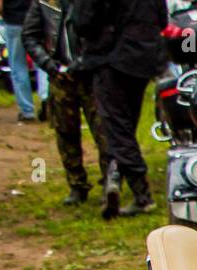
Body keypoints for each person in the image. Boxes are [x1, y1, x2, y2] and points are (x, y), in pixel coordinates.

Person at [72, 0, 166, 219]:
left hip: (111, 58)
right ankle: (114, 179)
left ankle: (141, 193)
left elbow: (83, 22)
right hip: (144, 57)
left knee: (117, 127)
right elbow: (162, 18)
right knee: (125, 125)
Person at [22, 0, 109, 205]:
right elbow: (29, 36)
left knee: (104, 132)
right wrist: (48, 64)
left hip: (91, 75)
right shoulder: (44, 3)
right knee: (65, 133)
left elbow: (106, 31)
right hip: (60, 76)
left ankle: (109, 183)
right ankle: (77, 185)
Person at [0, 0, 38, 120]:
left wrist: (4, 15)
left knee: (18, 66)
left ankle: (27, 111)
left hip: (13, 22)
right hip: (36, 20)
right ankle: (46, 98)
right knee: (42, 64)